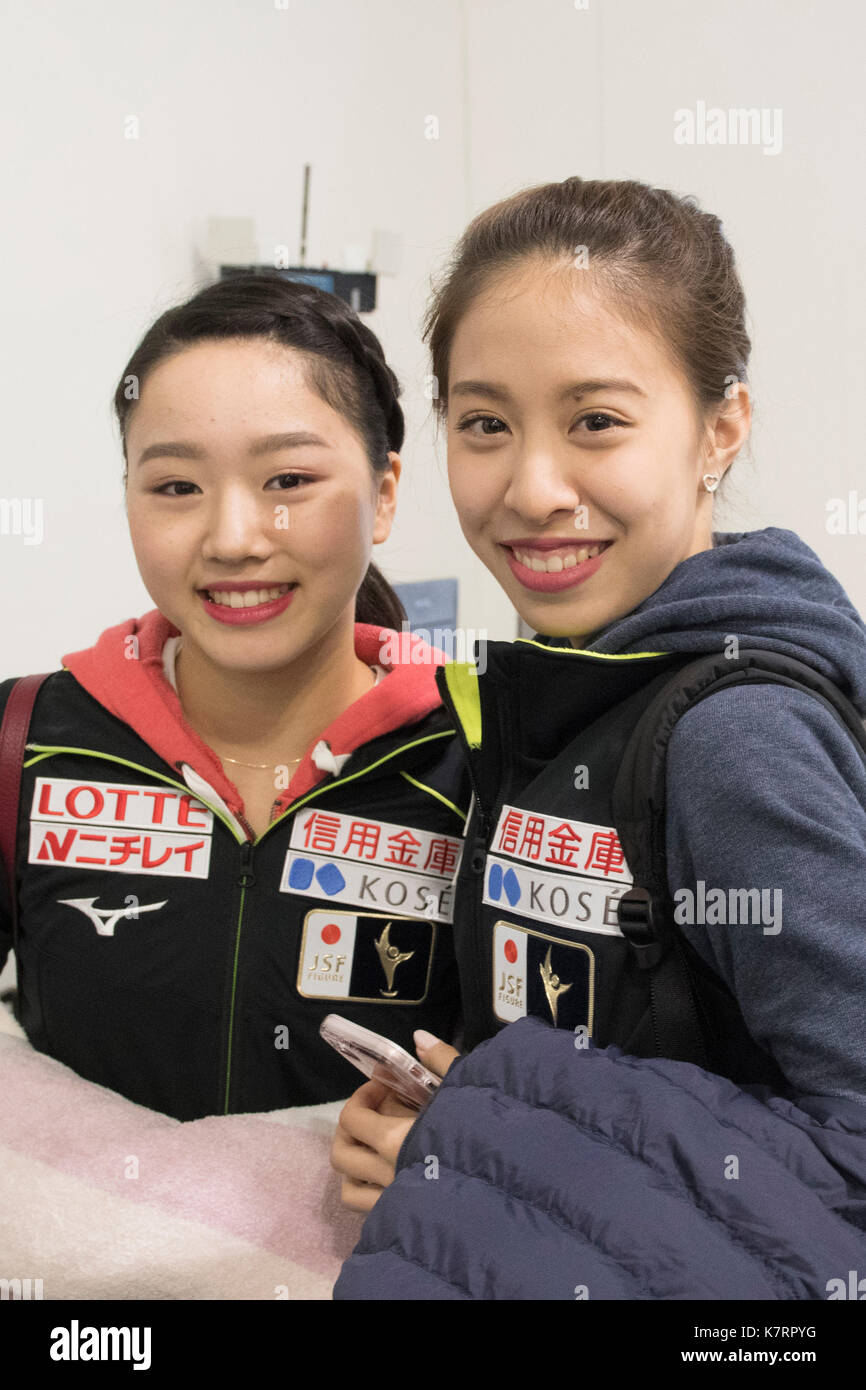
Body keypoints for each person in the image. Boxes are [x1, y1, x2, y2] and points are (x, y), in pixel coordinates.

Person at [331, 177, 866, 1298]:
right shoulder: (554, 692)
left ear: (720, 426)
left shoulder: (735, 738)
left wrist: (476, 1148)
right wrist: (441, 1121)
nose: (531, 489)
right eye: (483, 424)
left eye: (595, 422)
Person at [0, 272, 469, 1122]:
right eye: (177, 487)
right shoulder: (24, 741)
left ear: (385, 494)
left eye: (289, 481)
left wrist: (466, 1152)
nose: (233, 538)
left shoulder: (482, 762)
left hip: (381, 1258)